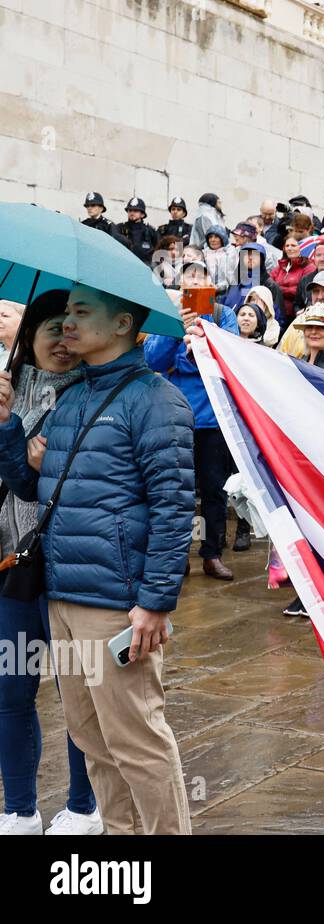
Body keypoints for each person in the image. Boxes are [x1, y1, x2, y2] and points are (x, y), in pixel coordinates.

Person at [0, 285, 194, 835]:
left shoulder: (156, 400)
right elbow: (31, 490)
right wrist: (8, 426)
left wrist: (154, 603)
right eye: (64, 314)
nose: (67, 324)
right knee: (91, 737)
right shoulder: (73, 398)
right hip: (60, 593)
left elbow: (175, 508)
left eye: (81, 313)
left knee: (137, 741)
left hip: (115, 604)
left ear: (123, 323)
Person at [0, 291, 101, 836]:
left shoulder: (94, 398)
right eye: (52, 329)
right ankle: (19, 809)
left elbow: (35, 486)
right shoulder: (8, 390)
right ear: (29, 334)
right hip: (10, 566)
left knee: (77, 696)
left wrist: (8, 435)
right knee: (10, 690)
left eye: (72, 330)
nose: (63, 341)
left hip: (65, 570)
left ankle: (85, 807)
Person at [144, 263, 240, 581]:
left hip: (213, 419)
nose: (195, 282)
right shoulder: (167, 314)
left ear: (211, 284)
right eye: (189, 277)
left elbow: (229, 357)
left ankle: (212, 554)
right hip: (175, 417)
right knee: (177, 490)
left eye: (202, 277)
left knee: (214, 490)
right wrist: (176, 330)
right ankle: (177, 555)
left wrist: (203, 337)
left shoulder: (224, 314)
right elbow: (154, 359)